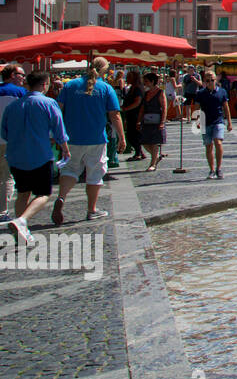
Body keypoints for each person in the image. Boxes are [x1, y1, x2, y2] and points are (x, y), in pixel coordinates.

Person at [1, 72, 69, 247]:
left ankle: (22, 233)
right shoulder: (48, 103)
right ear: (45, 84)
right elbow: (59, 131)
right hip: (40, 155)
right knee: (44, 194)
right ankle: (22, 220)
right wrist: (65, 150)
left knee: (23, 193)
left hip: (16, 156)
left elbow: (4, 133)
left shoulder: (13, 106)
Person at [55, 57, 125, 222]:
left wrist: (57, 133)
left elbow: (58, 110)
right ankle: (91, 210)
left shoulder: (70, 85)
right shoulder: (106, 88)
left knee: (70, 170)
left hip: (71, 137)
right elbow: (115, 115)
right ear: (105, 70)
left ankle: (61, 198)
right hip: (96, 138)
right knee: (95, 173)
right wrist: (122, 138)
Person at [0, 62, 28, 218]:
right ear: (12, 75)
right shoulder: (21, 93)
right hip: (10, 140)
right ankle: (2, 212)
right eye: (21, 75)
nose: (23, 78)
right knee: (7, 177)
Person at [194, 70, 231, 179]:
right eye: (207, 80)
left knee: (218, 142)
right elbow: (197, 108)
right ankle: (211, 169)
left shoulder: (222, 91)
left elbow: (226, 107)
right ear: (204, 81)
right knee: (208, 146)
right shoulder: (200, 93)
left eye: (212, 80)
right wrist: (197, 121)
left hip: (218, 121)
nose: (210, 82)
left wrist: (229, 122)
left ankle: (219, 168)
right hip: (205, 122)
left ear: (216, 80)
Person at [138, 72, 168, 172]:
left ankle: (153, 163)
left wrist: (162, 122)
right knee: (145, 142)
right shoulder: (146, 93)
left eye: (146, 81)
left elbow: (164, 108)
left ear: (152, 81)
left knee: (154, 143)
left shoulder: (160, 93)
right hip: (146, 121)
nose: (144, 83)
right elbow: (142, 108)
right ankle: (156, 157)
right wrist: (139, 120)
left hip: (156, 121)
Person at [121, 69, 144, 161]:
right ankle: (140, 152)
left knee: (132, 135)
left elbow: (137, 102)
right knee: (133, 135)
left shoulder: (137, 88)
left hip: (135, 115)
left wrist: (125, 108)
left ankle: (138, 153)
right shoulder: (133, 87)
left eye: (129, 77)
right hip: (131, 114)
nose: (127, 78)